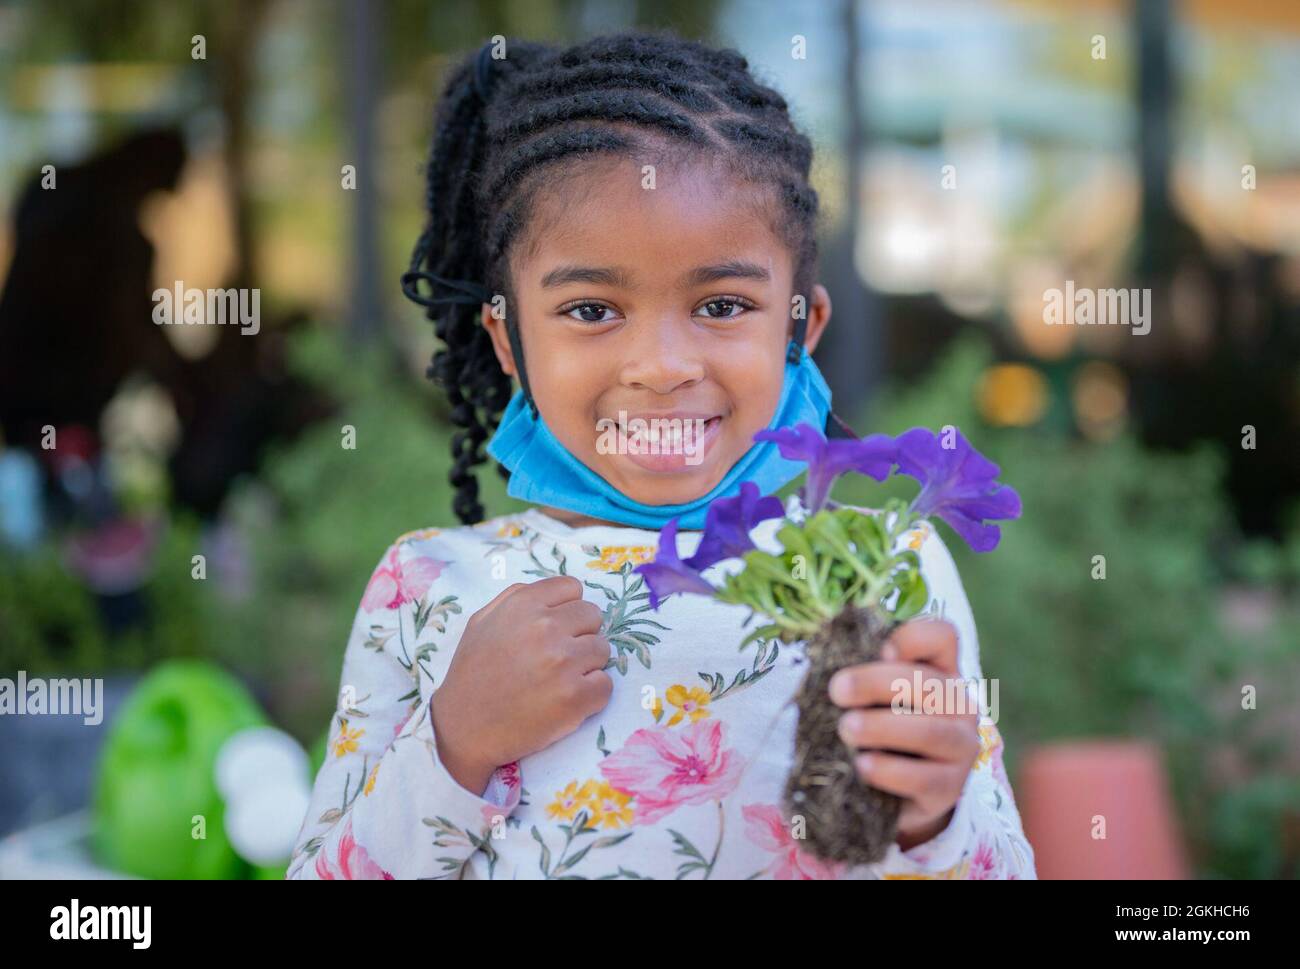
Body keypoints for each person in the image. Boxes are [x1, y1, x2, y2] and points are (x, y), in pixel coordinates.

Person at [287, 30, 1035, 880]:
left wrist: (933, 817)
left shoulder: (884, 567)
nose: (662, 366)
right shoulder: (423, 587)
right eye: (591, 311)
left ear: (801, 326)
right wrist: (452, 745)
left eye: (721, 303)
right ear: (506, 338)